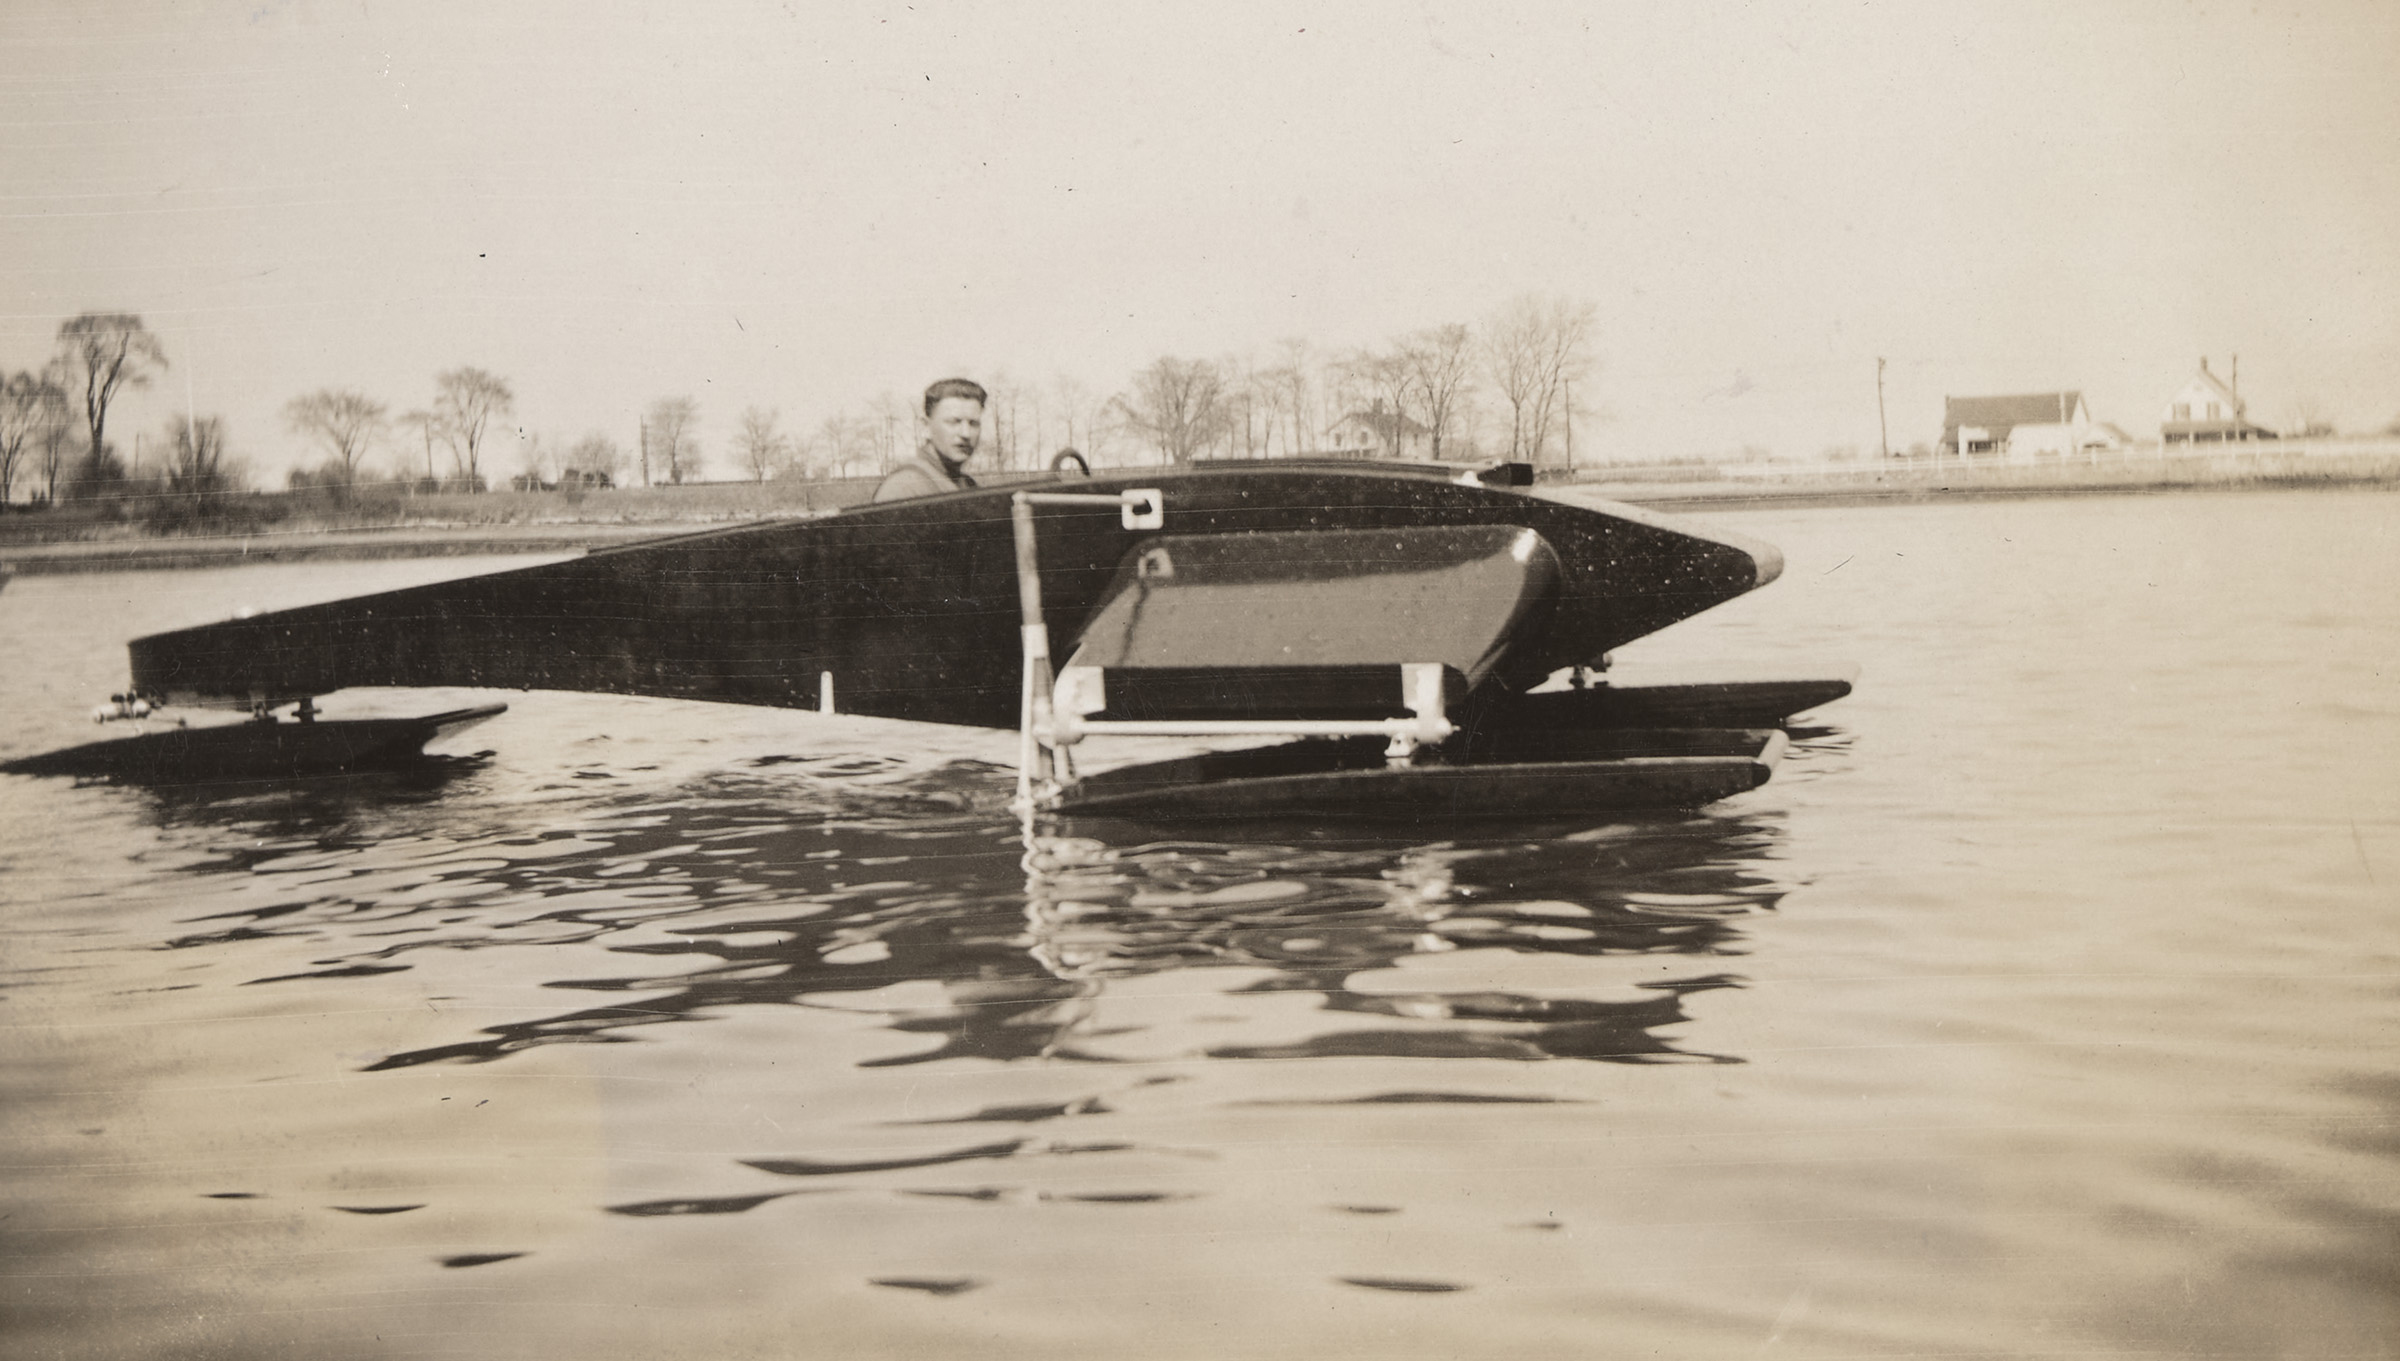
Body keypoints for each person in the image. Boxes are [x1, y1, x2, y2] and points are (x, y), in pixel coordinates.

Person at [873, 377, 987, 502]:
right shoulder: (904, 488)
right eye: (954, 422)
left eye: (973, 423)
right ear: (925, 427)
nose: (965, 433)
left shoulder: (968, 486)